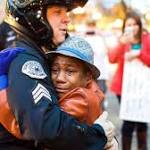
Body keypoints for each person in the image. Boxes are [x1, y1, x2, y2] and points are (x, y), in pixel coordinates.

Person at [0, 0, 117, 149]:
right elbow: (44, 126)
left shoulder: (40, 53)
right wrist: (98, 135)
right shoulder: (26, 59)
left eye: (66, 12)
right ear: (33, 16)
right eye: (58, 12)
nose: (67, 18)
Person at [108, 11, 150, 150]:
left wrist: (139, 54)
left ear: (139, 25)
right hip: (124, 88)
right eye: (129, 24)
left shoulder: (147, 39)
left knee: (142, 121)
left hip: (143, 87)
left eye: (134, 24)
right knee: (129, 120)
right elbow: (112, 58)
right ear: (124, 27)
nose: (132, 27)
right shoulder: (122, 41)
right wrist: (121, 43)